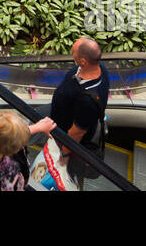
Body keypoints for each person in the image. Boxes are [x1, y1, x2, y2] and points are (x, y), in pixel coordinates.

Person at [46, 36, 109, 184]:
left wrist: (64, 155)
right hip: (59, 115)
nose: (71, 52)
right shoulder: (98, 68)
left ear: (83, 61)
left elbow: (76, 133)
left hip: (62, 133)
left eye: (73, 51)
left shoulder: (87, 101)